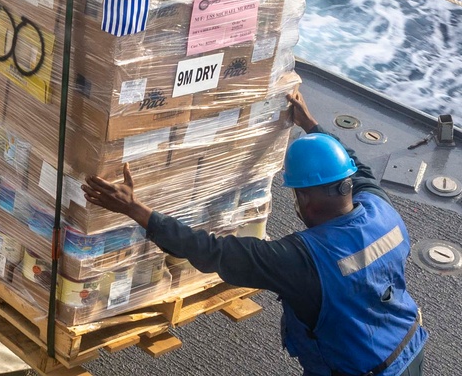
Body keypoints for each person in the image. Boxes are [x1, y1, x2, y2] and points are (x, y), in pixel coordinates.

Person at [82, 88, 426, 376]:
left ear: (303, 198)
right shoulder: (381, 208)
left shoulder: (304, 261)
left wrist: (134, 209)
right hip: (410, 347)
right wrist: (312, 126)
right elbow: (359, 166)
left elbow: (210, 250)